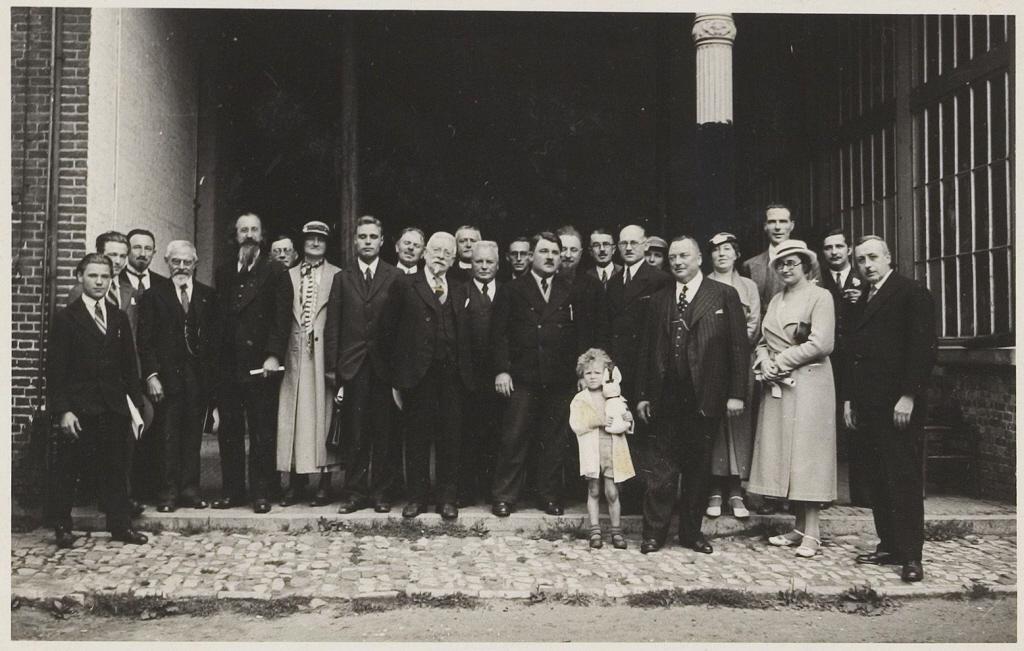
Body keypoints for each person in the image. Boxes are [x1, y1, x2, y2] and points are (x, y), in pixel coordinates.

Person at [635, 236, 749, 555]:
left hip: (705, 395)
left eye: (684, 255)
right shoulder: (659, 299)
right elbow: (647, 349)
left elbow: (739, 349)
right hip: (665, 395)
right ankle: (654, 534)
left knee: (698, 469)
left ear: (700, 258)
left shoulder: (724, 295)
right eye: (673, 257)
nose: (677, 261)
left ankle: (691, 533)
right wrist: (643, 394)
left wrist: (737, 394)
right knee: (661, 469)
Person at [844, 235, 936, 583]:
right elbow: (854, 355)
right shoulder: (862, 299)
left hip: (898, 406)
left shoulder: (911, 292)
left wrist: (909, 396)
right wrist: (850, 400)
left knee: (903, 479)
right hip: (867, 406)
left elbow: (922, 349)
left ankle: (912, 557)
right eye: (861, 260)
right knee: (877, 478)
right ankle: (889, 546)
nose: (866, 265)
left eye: (872, 258)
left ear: (888, 258)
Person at [490, 232, 600, 517]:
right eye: (544, 252)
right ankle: (505, 496)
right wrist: (502, 369)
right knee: (514, 437)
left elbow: (581, 333)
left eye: (555, 252)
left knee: (554, 440)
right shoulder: (513, 289)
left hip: (559, 378)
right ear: (531, 257)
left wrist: (580, 371)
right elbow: (498, 334)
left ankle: (548, 495)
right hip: (523, 377)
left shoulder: (569, 288)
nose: (551, 257)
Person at [47, 253, 147, 547]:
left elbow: (129, 365)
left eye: (105, 276)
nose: (100, 281)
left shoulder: (117, 316)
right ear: (80, 277)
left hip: (113, 407)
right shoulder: (66, 318)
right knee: (69, 468)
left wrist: (135, 407)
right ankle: (63, 526)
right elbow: (55, 370)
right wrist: (63, 410)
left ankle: (120, 527)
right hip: (80, 409)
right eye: (93, 276)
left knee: (115, 469)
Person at [746, 240, 836, 559]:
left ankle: (813, 532)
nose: (786, 268)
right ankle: (798, 528)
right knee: (788, 457)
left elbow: (822, 343)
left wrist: (780, 361)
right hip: (778, 387)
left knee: (808, 458)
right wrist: (764, 362)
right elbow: (761, 340)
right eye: (781, 264)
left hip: (810, 386)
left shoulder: (820, 296)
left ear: (807, 266)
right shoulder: (775, 299)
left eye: (793, 263)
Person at [379, 232, 473, 519]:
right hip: (417, 376)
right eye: (435, 250)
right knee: (417, 438)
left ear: (454, 259)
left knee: (451, 437)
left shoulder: (460, 289)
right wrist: (396, 377)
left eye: (448, 252)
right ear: (424, 254)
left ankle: (447, 497)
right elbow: (386, 332)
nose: (441, 256)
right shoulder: (405, 285)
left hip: (452, 376)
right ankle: (417, 498)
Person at [324, 215, 402, 514]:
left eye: (373, 237)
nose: (368, 242)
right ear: (354, 241)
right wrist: (334, 369)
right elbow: (333, 326)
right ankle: (356, 493)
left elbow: (400, 326)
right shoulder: (342, 278)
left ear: (382, 242)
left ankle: (382, 493)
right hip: (353, 366)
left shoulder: (394, 277)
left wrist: (399, 369)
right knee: (355, 433)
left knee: (384, 432)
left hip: (384, 368)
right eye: (363, 237)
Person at [136, 240, 219, 513]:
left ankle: (190, 490)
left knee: (193, 438)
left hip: (198, 381)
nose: (181, 267)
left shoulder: (208, 297)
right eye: (176, 262)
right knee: (167, 437)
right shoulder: (153, 296)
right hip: (167, 380)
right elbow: (144, 342)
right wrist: (151, 376)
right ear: (167, 263)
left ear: (195, 264)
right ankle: (168, 493)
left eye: (187, 262)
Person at [212, 212, 286, 514]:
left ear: (262, 236)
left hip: (260, 364)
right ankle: (233, 491)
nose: (249, 235)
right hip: (230, 364)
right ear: (236, 235)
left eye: (254, 229)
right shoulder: (224, 271)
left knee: (262, 430)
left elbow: (281, 319)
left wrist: (273, 354)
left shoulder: (276, 271)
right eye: (244, 230)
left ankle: (261, 492)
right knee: (229, 429)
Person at [269, 221, 343, 507]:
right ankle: (296, 482)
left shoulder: (338, 276)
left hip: (323, 355)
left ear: (327, 244)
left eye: (320, 239)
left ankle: (325, 482)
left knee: (322, 416)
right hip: (293, 352)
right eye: (310, 238)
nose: (314, 243)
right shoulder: (285, 275)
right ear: (302, 243)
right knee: (293, 417)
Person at [704, 232, 761, 519]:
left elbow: (753, 325)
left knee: (739, 425)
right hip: (710, 367)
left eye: (727, 249)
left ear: (737, 254)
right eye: (716, 250)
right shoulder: (705, 284)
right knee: (713, 426)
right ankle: (714, 489)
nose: (722, 254)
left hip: (740, 364)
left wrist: (736, 351)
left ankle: (736, 490)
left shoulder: (748, 287)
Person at [122, 228, 174, 505]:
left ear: (155, 253)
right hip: (125, 368)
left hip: (155, 370)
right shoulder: (114, 281)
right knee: (127, 434)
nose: (142, 253)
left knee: (156, 432)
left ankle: (152, 489)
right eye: (137, 247)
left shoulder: (164, 284)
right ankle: (128, 494)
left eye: (147, 248)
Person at [819, 228, 869, 507]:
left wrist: (860, 300)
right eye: (828, 248)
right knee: (826, 424)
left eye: (839, 246)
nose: (834, 252)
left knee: (856, 424)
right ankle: (823, 493)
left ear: (849, 249)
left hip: (857, 359)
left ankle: (862, 493)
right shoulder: (818, 279)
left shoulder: (864, 276)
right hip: (827, 358)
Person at [451, 240, 502, 506]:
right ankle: (466, 491)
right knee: (466, 436)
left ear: (497, 264)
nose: (483, 266)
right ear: (471, 264)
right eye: (479, 262)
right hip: (467, 378)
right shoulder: (459, 292)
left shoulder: (507, 292)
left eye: (489, 262)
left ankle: (493, 492)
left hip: (499, 380)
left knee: (497, 435)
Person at [569, 349, 635, 550]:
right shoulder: (581, 399)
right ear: (582, 375)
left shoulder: (614, 395)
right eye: (588, 373)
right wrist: (597, 420)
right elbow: (576, 424)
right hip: (592, 450)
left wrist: (628, 419)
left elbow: (623, 416)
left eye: (597, 373)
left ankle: (616, 531)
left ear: (606, 373)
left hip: (611, 450)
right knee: (594, 489)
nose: (592, 377)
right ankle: (595, 530)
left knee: (612, 492)